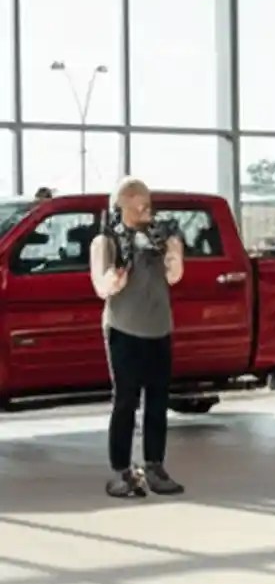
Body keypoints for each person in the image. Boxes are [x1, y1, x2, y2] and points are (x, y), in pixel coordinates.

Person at [89, 177, 186, 498]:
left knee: (157, 401)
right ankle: (121, 471)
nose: (147, 207)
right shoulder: (106, 242)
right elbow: (101, 286)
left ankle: (155, 466)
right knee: (126, 401)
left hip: (159, 327)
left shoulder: (159, 237)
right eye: (140, 201)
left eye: (148, 201)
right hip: (124, 328)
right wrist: (114, 281)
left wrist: (175, 254)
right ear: (124, 203)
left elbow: (173, 277)